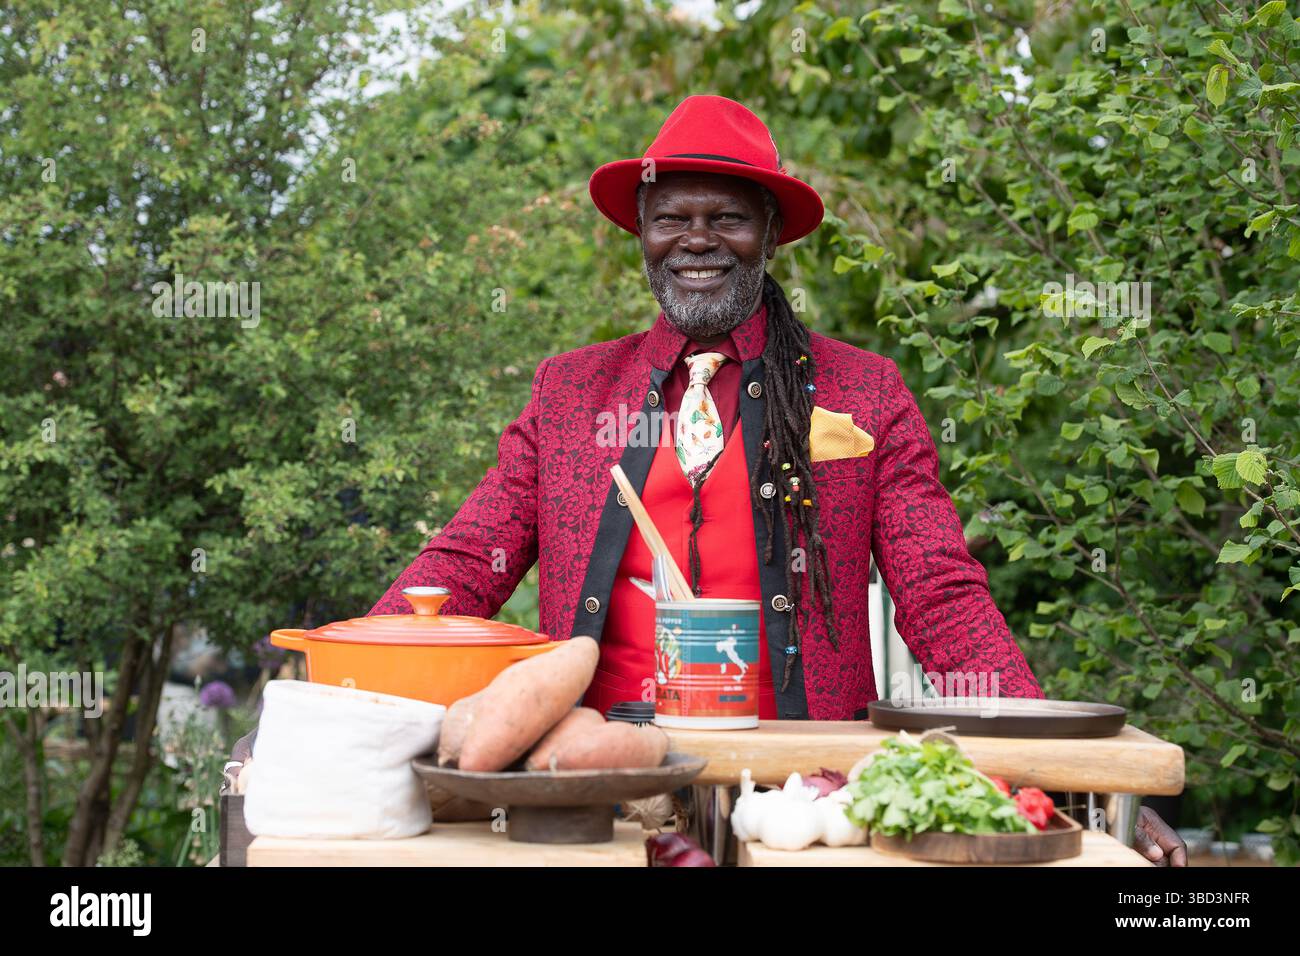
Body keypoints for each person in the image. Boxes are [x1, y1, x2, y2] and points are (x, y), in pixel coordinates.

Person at [268, 94, 1185, 863]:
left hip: (807, 795)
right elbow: (468, 561)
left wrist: (1071, 769)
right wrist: (334, 701)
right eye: (672, 217)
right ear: (641, 231)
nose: (696, 239)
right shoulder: (571, 390)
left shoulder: (863, 391)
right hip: (595, 780)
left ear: (771, 233)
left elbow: (940, 594)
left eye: (727, 218)